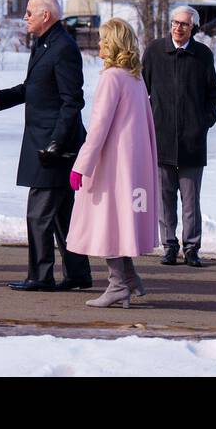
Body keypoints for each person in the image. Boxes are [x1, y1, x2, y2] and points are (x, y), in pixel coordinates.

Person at [0, 0, 93, 292]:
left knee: (38, 213)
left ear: (45, 16)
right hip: (47, 142)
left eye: (29, 13)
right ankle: (77, 275)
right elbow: (32, 88)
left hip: (53, 147)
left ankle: (40, 275)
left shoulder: (63, 48)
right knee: (62, 214)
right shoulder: (45, 44)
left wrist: (57, 144)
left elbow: (72, 101)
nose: (25, 18)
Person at [66, 18, 161, 308]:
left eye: (103, 39)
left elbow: (99, 127)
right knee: (121, 221)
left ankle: (118, 284)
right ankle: (129, 278)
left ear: (114, 44)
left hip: (111, 165)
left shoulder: (111, 78)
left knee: (106, 222)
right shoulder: (134, 76)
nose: (99, 44)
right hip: (132, 163)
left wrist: (81, 165)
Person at [141, 4, 216, 267]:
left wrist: (204, 121)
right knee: (164, 199)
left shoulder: (202, 55)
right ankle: (169, 246)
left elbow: (214, 93)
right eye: (175, 23)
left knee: (190, 200)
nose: (178, 28)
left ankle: (191, 248)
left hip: (192, 141)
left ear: (193, 28)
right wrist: (148, 121)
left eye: (184, 24)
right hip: (161, 138)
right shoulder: (155, 51)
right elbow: (142, 89)